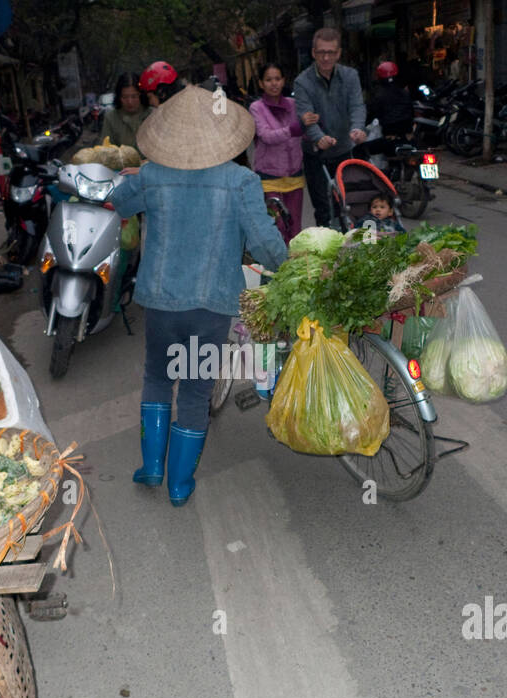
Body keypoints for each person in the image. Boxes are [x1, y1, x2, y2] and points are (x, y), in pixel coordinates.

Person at [109, 86, 287, 507]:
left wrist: (136, 180)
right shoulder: (241, 181)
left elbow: (118, 204)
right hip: (210, 308)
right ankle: (178, 484)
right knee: (193, 389)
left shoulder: (152, 174)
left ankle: (152, 466)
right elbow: (264, 243)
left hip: (160, 302)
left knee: (156, 377)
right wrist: (286, 265)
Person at [294, 28, 367, 227]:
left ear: (339, 53)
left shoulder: (350, 76)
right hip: (316, 156)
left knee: (350, 205)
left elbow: (357, 106)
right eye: (321, 52)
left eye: (331, 52)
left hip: (345, 150)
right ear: (313, 53)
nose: (326, 57)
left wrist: (358, 128)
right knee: (324, 209)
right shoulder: (302, 82)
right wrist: (319, 138)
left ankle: (352, 248)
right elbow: (306, 117)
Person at [249, 63, 304, 244]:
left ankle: (296, 268)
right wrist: (293, 129)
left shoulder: (294, 104)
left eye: (277, 79)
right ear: (261, 83)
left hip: (294, 175)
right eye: (268, 80)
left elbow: (306, 132)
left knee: (295, 229)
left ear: (283, 81)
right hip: (269, 178)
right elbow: (266, 136)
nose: (274, 84)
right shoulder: (256, 108)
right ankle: (279, 268)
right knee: (277, 227)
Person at [100, 73, 150, 149]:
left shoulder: (152, 115)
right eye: (125, 97)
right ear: (119, 97)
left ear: (141, 95)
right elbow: (106, 149)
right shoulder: (111, 117)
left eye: (134, 96)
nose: (129, 101)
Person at [370, 62, 414, 140]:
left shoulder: (379, 95)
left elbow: (374, 113)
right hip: (406, 133)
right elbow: (410, 111)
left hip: (389, 135)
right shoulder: (405, 93)